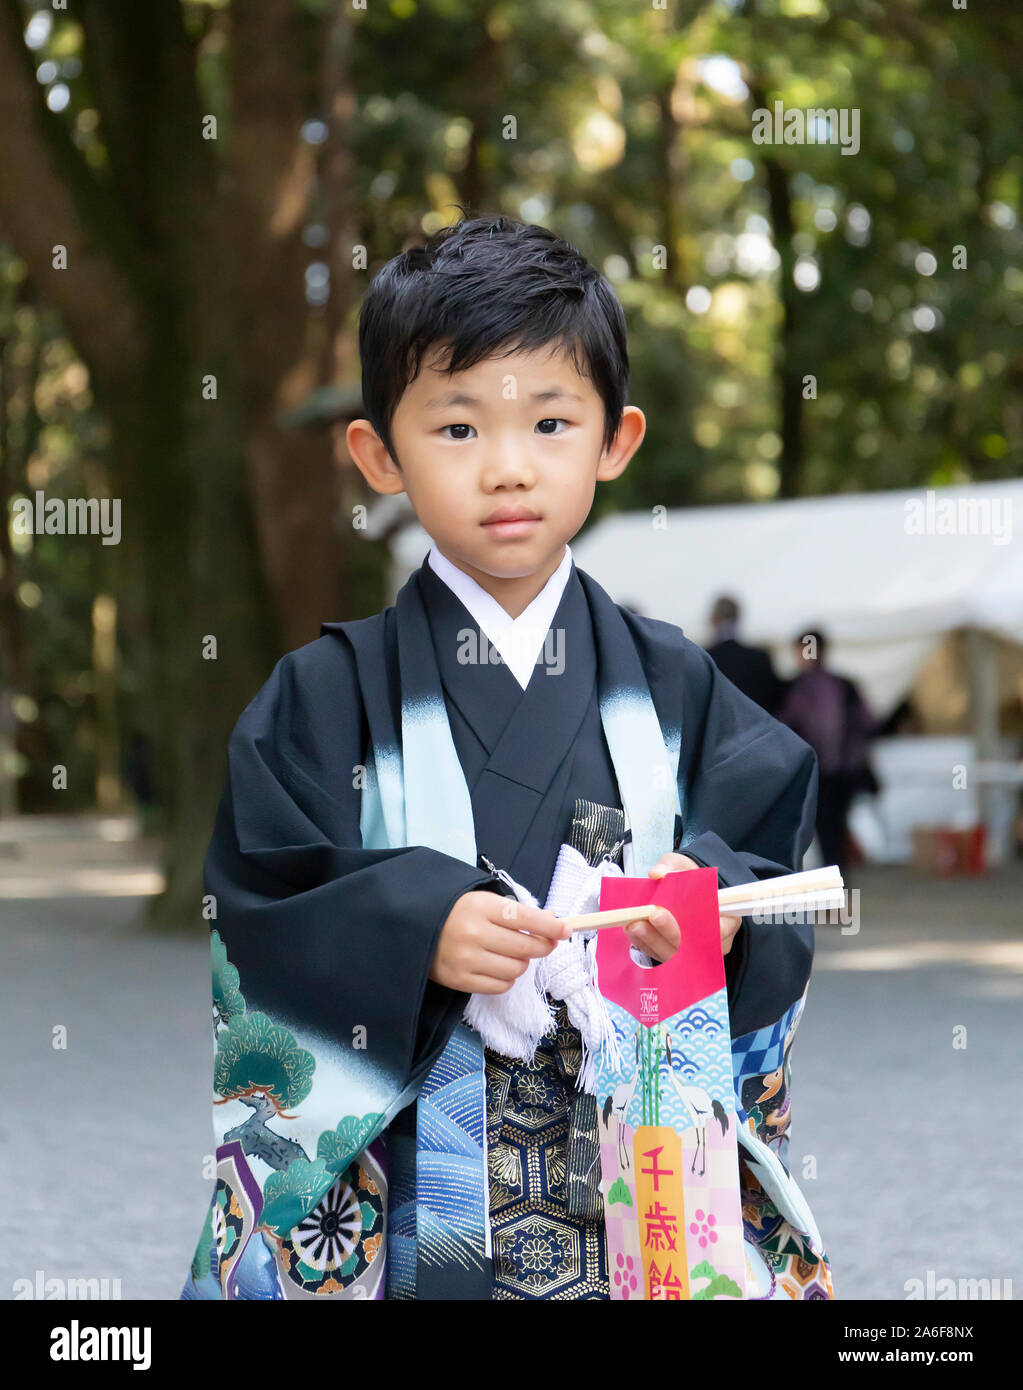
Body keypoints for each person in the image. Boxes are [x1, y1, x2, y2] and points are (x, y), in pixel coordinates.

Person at [180, 213, 833, 1302]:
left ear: (615, 442)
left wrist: (699, 913)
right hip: (408, 1218)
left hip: (639, 1189)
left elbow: (772, 873)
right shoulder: (323, 696)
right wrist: (415, 927)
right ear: (378, 453)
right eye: (457, 429)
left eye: (549, 421)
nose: (508, 467)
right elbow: (261, 894)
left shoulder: (678, 687)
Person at [777, 629, 879, 878]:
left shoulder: (797, 688)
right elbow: (868, 723)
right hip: (843, 772)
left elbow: (783, 725)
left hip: (815, 771)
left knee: (821, 831)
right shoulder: (844, 685)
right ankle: (839, 886)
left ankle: (833, 887)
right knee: (836, 829)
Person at [706, 594, 784, 716]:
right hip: (756, 730)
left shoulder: (705, 659)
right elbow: (776, 701)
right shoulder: (760, 659)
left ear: (713, 619)